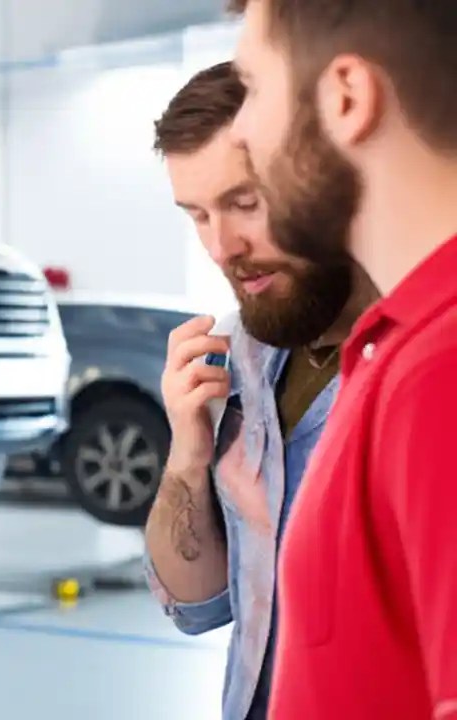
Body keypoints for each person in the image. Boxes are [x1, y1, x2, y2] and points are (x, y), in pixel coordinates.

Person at [226, 1, 457, 717]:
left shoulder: (439, 372)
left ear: (346, 97)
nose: (240, 130)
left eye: (254, 89)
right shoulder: (397, 350)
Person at [141, 61, 376, 720]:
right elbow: (196, 605)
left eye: (246, 203)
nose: (222, 246)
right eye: (197, 215)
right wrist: (187, 454)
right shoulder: (245, 351)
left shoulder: (423, 363)